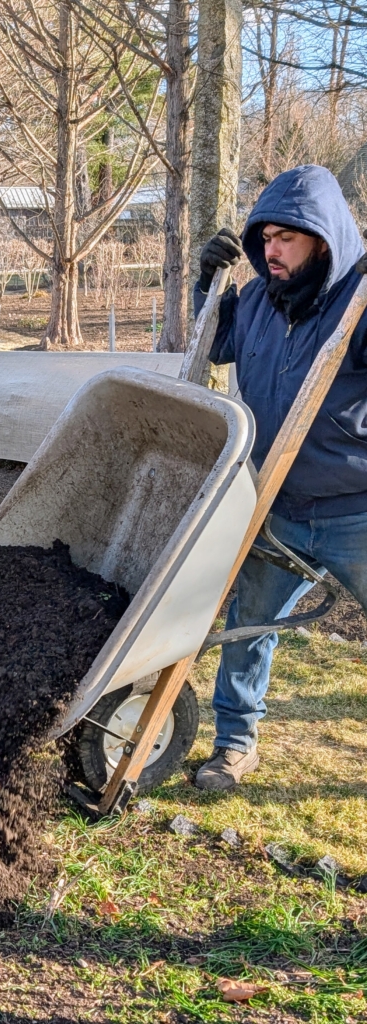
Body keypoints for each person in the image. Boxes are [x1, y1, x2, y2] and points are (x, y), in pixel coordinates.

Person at [192, 164, 367, 792]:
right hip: (276, 501)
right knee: (249, 626)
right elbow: (214, 345)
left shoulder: (359, 300)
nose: (272, 250)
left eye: (287, 238)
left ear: (323, 240)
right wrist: (206, 285)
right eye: (265, 238)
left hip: (355, 508)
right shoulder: (258, 301)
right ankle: (234, 744)